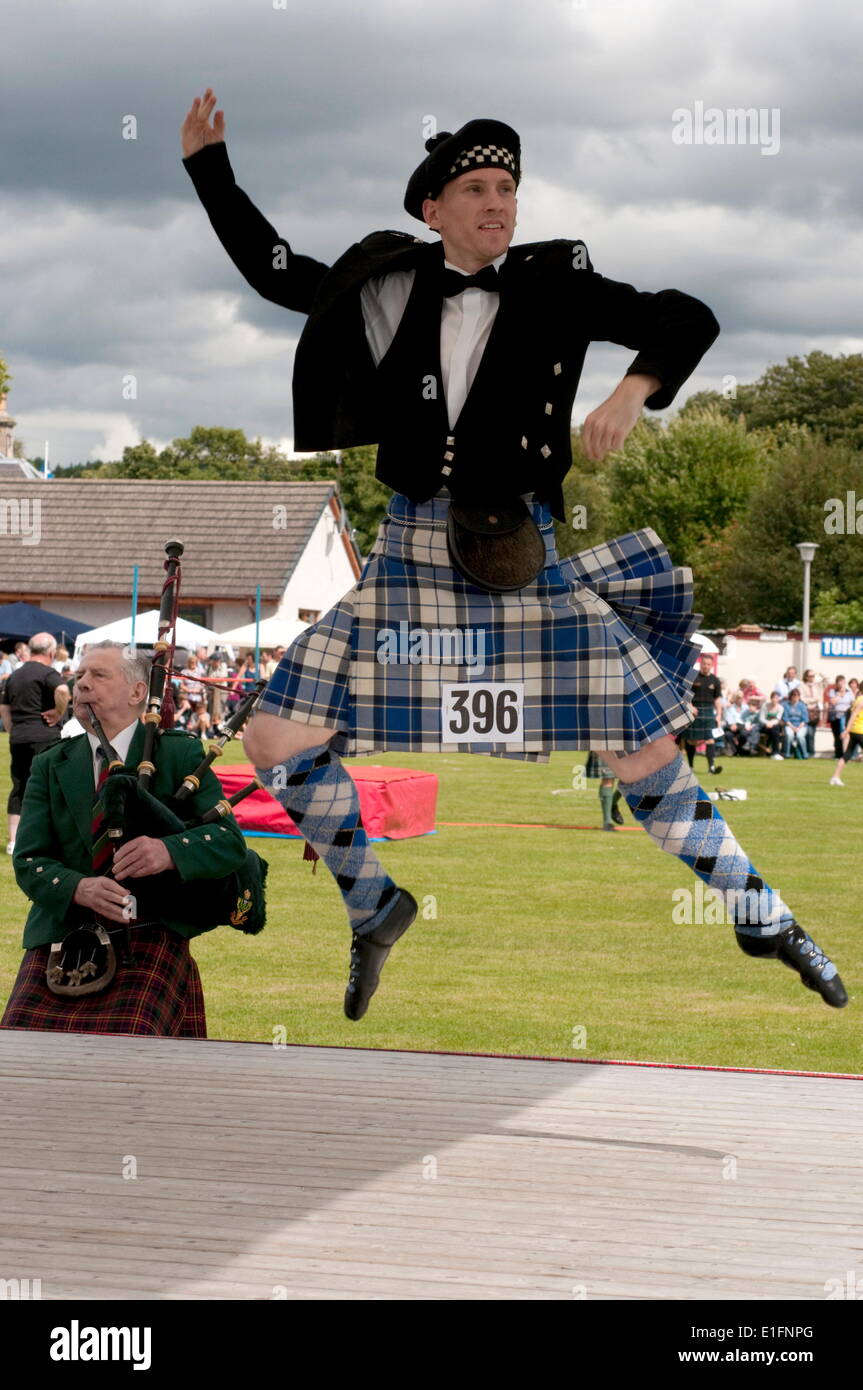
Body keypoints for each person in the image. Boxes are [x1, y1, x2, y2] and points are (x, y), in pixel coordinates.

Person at [181, 92, 846, 1013]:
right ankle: (375, 906)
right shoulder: (385, 282)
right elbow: (274, 268)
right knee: (273, 735)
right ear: (433, 208)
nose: (501, 205)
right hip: (413, 544)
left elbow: (687, 314)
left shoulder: (554, 282)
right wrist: (208, 167)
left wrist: (627, 394)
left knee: (641, 750)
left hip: (519, 549)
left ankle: (759, 915)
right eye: (481, 189)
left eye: (510, 190)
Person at [0, 641, 249, 1036]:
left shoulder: (178, 755)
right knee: (20, 1052)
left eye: (98, 675)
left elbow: (228, 841)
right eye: (80, 675)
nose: (82, 684)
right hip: (63, 934)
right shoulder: (51, 764)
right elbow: (29, 860)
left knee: (129, 1054)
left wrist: (167, 850)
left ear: (138, 692)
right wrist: (78, 887)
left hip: (149, 929)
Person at [0, 634, 70, 856]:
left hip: (19, 737)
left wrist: (13, 730)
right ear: (51, 653)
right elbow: (63, 691)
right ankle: (50, 839)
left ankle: (13, 841)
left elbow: (4, 709)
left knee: (19, 787)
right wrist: (59, 713)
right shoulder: (48, 673)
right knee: (50, 787)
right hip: (45, 736)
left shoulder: (15, 675)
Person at [680, 654, 724, 773]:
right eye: (704, 664)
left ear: (711, 665)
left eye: (708, 664)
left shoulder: (715, 680)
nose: (706, 666)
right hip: (695, 710)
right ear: (701, 663)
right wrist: (691, 707)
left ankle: (711, 767)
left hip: (708, 711)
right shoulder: (693, 677)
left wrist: (719, 715)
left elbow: (717, 699)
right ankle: (690, 766)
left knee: (710, 739)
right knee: (691, 741)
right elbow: (685, 695)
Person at [799, 668, 824, 757]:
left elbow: (827, 681)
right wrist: (813, 700)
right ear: (806, 677)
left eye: (813, 676)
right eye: (810, 676)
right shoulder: (801, 685)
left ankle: (811, 752)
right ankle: (808, 752)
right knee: (808, 733)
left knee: (812, 733)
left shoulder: (816, 685)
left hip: (815, 712)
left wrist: (820, 673)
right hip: (806, 710)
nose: (812, 678)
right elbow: (802, 698)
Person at [782, 688, 810, 758]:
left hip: (801, 726)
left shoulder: (802, 706)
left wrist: (798, 728)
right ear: (791, 696)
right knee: (789, 735)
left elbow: (805, 719)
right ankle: (787, 754)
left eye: (797, 695)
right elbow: (785, 718)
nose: (796, 697)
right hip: (789, 725)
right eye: (794, 695)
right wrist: (793, 727)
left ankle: (805, 754)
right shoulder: (786, 705)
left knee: (800, 736)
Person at [759, 692, 785, 758]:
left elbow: (777, 719)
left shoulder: (780, 708)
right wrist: (767, 723)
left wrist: (771, 723)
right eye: (773, 698)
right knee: (775, 730)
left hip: (774, 726)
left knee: (775, 729)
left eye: (776, 698)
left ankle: (775, 753)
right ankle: (775, 752)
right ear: (771, 698)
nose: (775, 699)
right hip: (764, 726)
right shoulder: (765, 705)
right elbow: (761, 718)